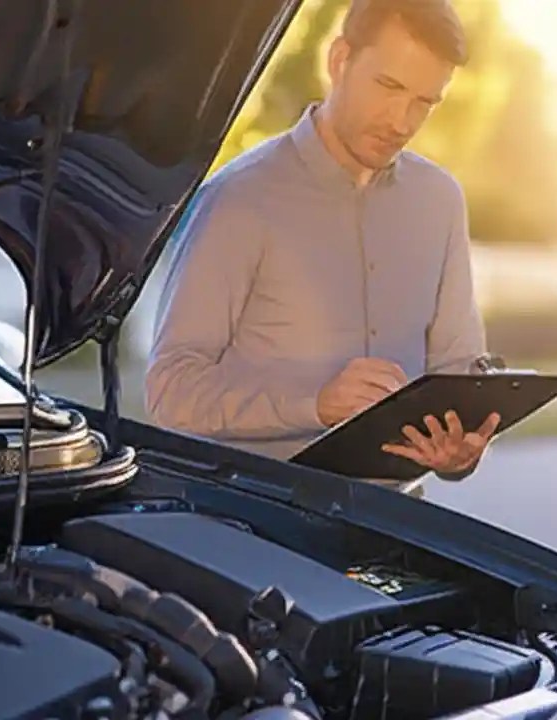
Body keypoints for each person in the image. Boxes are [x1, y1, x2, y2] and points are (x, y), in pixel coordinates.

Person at [144, 0, 499, 485]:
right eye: (389, 87)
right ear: (339, 61)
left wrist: (462, 450)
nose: (402, 121)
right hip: (260, 528)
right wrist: (313, 402)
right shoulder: (239, 199)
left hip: (396, 526)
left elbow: (457, 369)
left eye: (425, 102)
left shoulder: (440, 201)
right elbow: (172, 391)